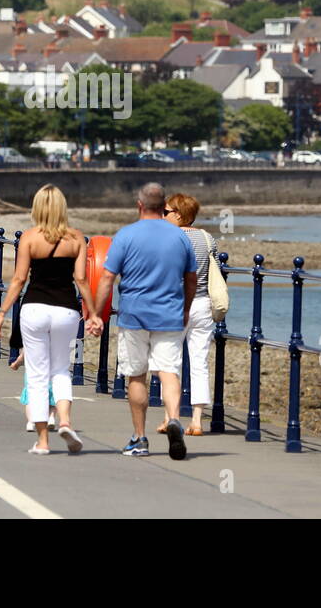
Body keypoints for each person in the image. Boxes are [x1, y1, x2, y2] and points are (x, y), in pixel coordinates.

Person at [92, 182, 197, 461]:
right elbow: (191, 278)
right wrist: (186, 308)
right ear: (164, 207)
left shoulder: (126, 236)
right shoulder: (180, 238)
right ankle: (174, 418)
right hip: (170, 314)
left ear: (139, 205)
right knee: (168, 372)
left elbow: (107, 278)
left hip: (134, 315)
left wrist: (95, 313)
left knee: (136, 375)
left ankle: (139, 438)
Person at [0, 184, 95, 454]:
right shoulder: (76, 238)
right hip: (66, 310)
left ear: (37, 208)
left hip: (34, 308)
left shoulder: (29, 237)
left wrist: (2, 312)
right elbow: (81, 279)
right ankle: (65, 420)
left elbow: (18, 279)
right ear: (63, 208)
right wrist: (93, 312)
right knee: (61, 370)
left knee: (37, 375)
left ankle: (43, 441)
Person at [158, 193, 216, 438]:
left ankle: (170, 418)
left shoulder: (169, 237)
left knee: (169, 363)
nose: (162, 216)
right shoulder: (207, 237)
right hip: (203, 304)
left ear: (179, 215)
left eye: (166, 212)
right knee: (199, 362)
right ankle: (197, 421)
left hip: (176, 304)